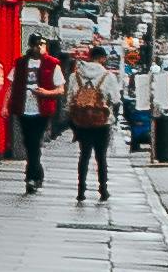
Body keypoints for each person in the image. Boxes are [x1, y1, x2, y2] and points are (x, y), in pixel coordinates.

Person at [64, 49, 113, 203]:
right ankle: (103, 189)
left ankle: (81, 190)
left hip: (82, 121)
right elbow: (115, 98)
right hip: (102, 121)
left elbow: (69, 99)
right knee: (101, 157)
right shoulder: (108, 76)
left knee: (84, 154)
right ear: (103, 58)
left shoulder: (75, 76)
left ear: (89, 57)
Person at [13, 38, 62, 190]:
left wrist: (46, 92)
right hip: (23, 109)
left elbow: (61, 89)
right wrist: (5, 106)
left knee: (34, 142)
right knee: (29, 143)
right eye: (35, 45)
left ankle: (31, 178)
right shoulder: (21, 63)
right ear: (30, 46)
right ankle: (37, 175)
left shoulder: (52, 63)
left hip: (42, 110)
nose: (38, 48)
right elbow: (12, 85)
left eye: (41, 45)